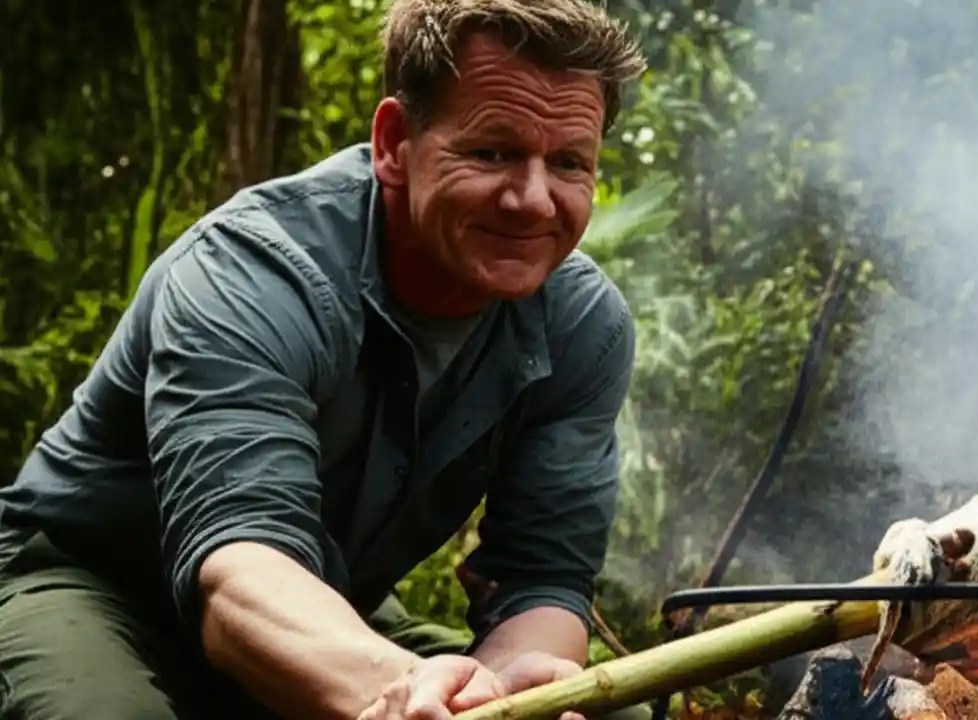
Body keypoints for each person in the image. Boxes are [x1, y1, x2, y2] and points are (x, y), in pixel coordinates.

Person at [0, 1, 648, 717]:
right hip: (91, 587)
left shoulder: (583, 326)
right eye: (492, 151)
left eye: (567, 163)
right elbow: (240, 567)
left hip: (322, 606)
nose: (532, 200)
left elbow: (542, 580)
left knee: (608, 709)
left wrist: (502, 692)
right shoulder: (251, 274)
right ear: (395, 141)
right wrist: (399, 692)